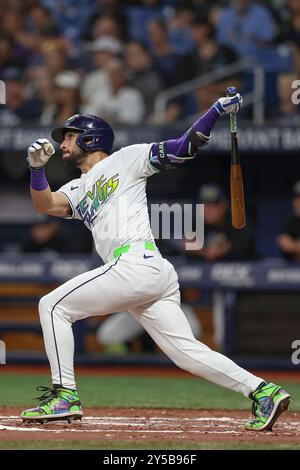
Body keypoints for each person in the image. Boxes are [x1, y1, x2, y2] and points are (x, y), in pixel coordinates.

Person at [21, 92, 290, 432]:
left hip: (134, 262)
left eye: (70, 137)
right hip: (149, 273)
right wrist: (36, 169)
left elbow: (183, 148)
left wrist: (215, 110)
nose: (63, 144)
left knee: (53, 306)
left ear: (91, 139)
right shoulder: (77, 187)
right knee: (184, 352)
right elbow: (46, 205)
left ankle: (65, 394)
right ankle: (263, 390)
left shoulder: (127, 158)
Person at [277, 180, 300, 261]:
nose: (298, 203)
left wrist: (294, 246)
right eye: (296, 199)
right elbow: (284, 244)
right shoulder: (289, 220)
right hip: (292, 268)